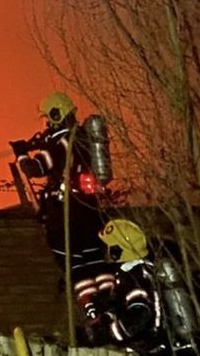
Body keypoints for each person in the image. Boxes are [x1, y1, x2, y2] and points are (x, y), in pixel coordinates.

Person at [10, 91, 115, 344]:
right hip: (91, 213)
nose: (47, 124)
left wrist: (22, 153)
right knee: (96, 263)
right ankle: (110, 307)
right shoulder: (83, 139)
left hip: (68, 217)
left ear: (56, 116)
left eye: (48, 119)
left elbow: (35, 169)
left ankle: (93, 316)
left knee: (76, 269)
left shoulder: (60, 145)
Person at [98, 219, 167, 354]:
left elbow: (140, 314)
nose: (105, 251)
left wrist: (108, 333)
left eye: (108, 246)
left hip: (148, 350)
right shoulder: (135, 272)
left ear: (117, 250)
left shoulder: (135, 276)